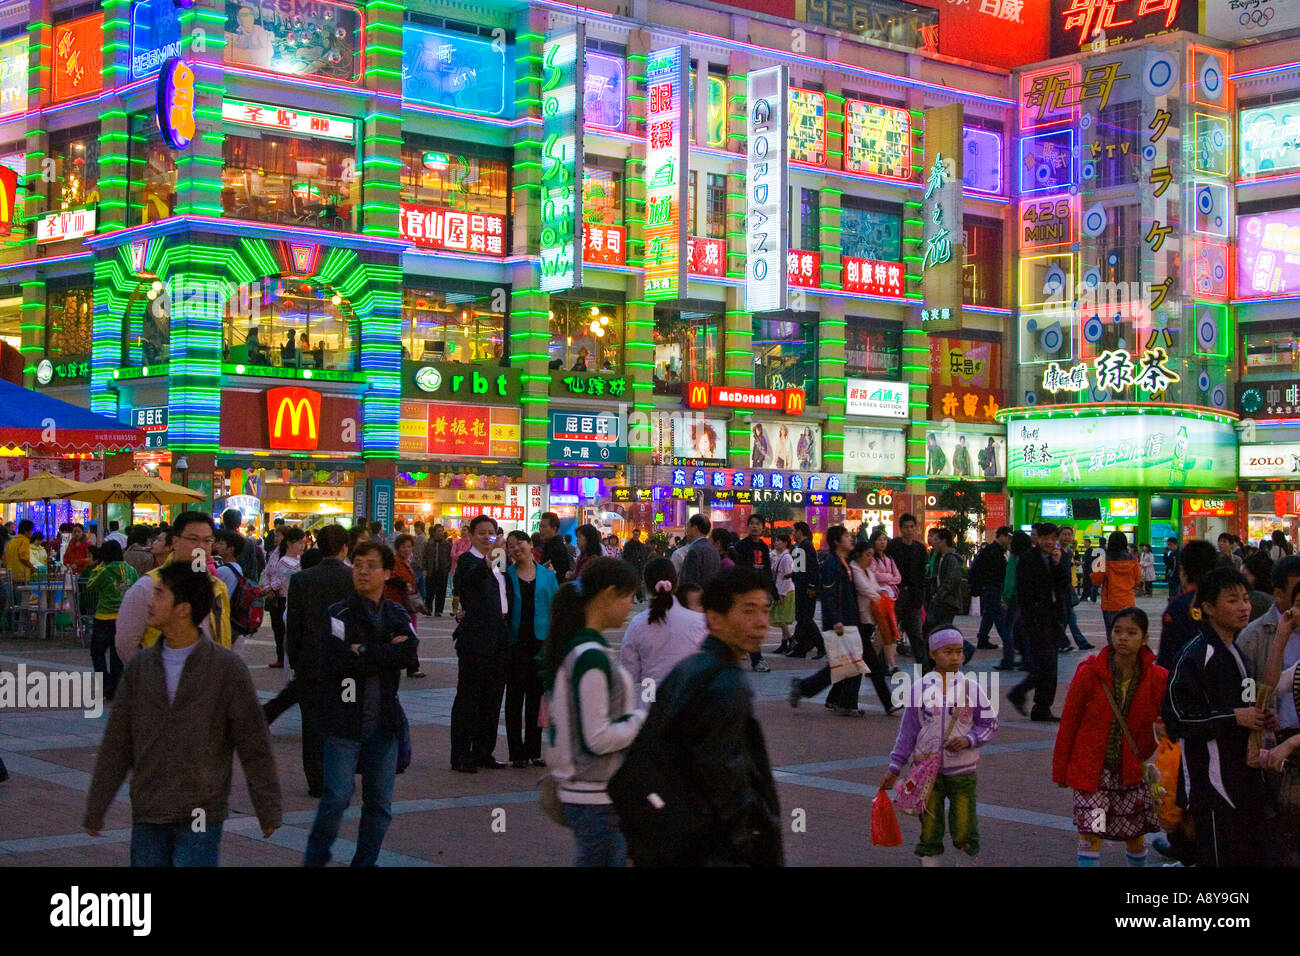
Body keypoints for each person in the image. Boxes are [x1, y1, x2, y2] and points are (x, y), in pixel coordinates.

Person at [84, 564, 281, 866]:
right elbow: (117, 743)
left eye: (160, 594)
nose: (150, 601)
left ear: (183, 609)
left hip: (202, 811)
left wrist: (268, 807)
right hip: (150, 808)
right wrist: (97, 806)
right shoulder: (140, 667)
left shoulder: (225, 669)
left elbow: (254, 742)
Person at [614, 566, 784, 867]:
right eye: (748, 610)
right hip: (709, 846)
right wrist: (756, 833)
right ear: (714, 619)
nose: (761, 623)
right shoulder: (725, 684)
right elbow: (725, 780)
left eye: (764, 610)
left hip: (671, 835)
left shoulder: (690, 669)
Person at [304, 541, 418, 867]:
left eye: (370, 565)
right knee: (336, 798)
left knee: (380, 804)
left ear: (386, 573)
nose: (363, 571)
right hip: (343, 719)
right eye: (357, 565)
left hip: (384, 722)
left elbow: (408, 652)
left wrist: (364, 651)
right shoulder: (337, 613)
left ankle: (364, 862)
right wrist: (382, 652)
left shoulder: (396, 613)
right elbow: (336, 660)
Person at [1163, 567, 1272, 867]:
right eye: (1233, 600)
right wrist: (1234, 716)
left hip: (1245, 778)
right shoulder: (1195, 655)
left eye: (1246, 599)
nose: (1244, 607)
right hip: (1212, 784)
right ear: (1208, 608)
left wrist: (1262, 718)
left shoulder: (1239, 653)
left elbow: (1249, 702)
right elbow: (1177, 717)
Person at [542, 557, 645, 866]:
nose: (630, 606)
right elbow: (595, 738)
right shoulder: (590, 657)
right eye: (628, 597)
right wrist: (640, 721)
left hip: (594, 793)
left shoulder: (586, 651)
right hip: (594, 795)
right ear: (609, 595)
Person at [1052, 607, 1167, 867]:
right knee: (1091, 834)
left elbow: (1168, 718)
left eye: (1131, 632)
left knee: (1134, 835)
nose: (1122, 638)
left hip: (1131, 772)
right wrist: (1061, 771)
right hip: (1092, 772)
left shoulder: (1157, 678)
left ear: (1145, 638)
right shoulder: (1090, 673)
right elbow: (1069, 724)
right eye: (1117, 631)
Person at [880, 626, 998, 866]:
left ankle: (964, 858)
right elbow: (908, 732)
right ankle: (931, 860)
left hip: (963, 772)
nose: (955, 657)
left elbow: (990, 723)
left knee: (964, 826)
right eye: (948, 651)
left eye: (958, 651)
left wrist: (969, 740)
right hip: (927, 774)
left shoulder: (971, 688)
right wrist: (895, 767)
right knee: (930, 826)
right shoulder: (920, 688)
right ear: (933, 654)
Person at [262, 524, 353, 798]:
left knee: (312, 726)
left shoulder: (303, 580)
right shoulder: (354, 578)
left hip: (311, 663)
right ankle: (341, 776)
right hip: (346, 664)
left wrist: (297, 661)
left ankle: (316, 781)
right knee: (343, 722)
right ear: (344, 547)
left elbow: (295, 627)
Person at [788, 526, 896, 717]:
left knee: (847, 664)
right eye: (846, 536)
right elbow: (829, 593)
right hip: (843, 623)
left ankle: (814, 691)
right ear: (837, 541)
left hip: (850, 621)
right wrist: (836, 619)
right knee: (847, 664)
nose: (850, 539)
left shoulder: (843, 563)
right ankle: (819, 693)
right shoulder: (832, 563)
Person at [115, 513, 232, 664]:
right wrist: (151, 676)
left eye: (207, 541)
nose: (201, 547)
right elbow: (126, 643)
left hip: (210, 678)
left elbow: (224, 636)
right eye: (193, 539)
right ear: (175, 542)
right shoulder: (148, 586)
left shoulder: (217, 587)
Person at [449, 514, 510, 773]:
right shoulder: (467, 560)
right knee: (469, 698)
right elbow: (467, 583)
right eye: (482, 532)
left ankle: (484, 751)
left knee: (493, 697)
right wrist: (487, 560)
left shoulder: (500, 561)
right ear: (471, 536)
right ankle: (461, 754)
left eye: (491, 532)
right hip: (475, 639)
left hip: (500, 637)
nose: (487, 536)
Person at [504, 530, 556, 768]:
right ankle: (517, 753)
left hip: (540, 643)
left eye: (520, 543)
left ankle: (534, 749)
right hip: (515, 643)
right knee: (515, 698)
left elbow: (555, 609)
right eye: (511, 546)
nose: (516, 549)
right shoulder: (506, 576)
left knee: (536, 698)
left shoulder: (547, 575)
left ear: (531, 544)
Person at [1009, 522, 1072, 722]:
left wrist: (1058, 564)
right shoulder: (1028, 559)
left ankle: (1037, 703)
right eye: (1047, 538)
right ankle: (1034, 702)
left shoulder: (1058, 557)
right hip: (1036, 620)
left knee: (1048, 664)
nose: (1050, 542)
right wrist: (1031, 617)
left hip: (1054, 618)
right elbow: (1023, 591)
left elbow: (1064, 585)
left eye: (1054, 538)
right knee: (1047, 664)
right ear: (1038, 539)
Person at [620, 557, 707, 689]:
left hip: (649, 700)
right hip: (688, 701)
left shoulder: (637, 624)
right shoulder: (700, 622)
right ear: (676, 581)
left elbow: (630, 674)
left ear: (646, 586)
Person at [83, 540, 138, 702]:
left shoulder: (104, 571)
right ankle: (116, 688)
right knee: (117, 655)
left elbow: (90, 586)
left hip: (104, 617)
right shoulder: (131, 570)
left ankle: (105, 683)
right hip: (123, 618)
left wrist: (98, 567)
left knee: (97, 653)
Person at [1155, 540, 1220, 672]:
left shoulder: (1178, 607)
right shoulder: (1222, 601)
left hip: (1186, 680)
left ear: (1183, 572)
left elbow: (1167, 656)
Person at [850, 541, 900, 675]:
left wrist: (881, 592)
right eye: (867, 555)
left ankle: (879, 667)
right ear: (858, 555)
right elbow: (864, 588)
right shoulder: (854, 568)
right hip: (862, 614)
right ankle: (876, 667)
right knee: (868, 644)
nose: (870, 558)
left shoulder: (867, 569)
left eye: (871, 555)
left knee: (881, 637)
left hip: (873, 612)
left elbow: (875, 586)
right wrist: (878, 597)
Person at [262, 527, 305, 668]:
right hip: (284, 600)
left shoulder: (297, 560)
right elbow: (278, 579)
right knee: (282, 633)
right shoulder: (284, 561)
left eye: (303, 543)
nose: (302, 546)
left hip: (291, 602)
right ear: (290, 543)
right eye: (299, 543)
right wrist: (267, 589)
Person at [888, 514, 928, 659]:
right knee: (888, 632)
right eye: (906, 527)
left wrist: (920, 596)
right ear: (900, 528)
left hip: (913, 596)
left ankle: (923, 669)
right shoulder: (893, 545)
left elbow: (922, 574)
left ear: (916, 528)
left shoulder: (920, 549)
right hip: (896, 594)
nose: (909, 530)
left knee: (916, 635)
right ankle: (881, 666)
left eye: (912, 527)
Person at [1090, 531, 1142, 640]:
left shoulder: (1103, 560)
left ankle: (1114, 656)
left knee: (1113, 636)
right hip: (1128, 602)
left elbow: (1096, 581)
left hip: (1110, 604)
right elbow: (1138, 580)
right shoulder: (1133, 559)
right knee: (1127, 636)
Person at [969, 526, 1012, 652]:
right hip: (991, 586)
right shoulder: (992, 551)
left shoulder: (994, 550)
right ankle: (1008, 641)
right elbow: (988, 569)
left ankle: (982, 639)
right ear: (1002, 536)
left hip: (991, 586)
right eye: (1008, 537)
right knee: (998, 615)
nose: (1009, 540)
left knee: (989, 613)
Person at [924, 528, 963, 631]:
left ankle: (964, 647)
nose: (933, 542)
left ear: (944, 541)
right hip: (941, 599)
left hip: (947, 601)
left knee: (942, 629)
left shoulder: (951, 558)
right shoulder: (940, 557)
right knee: (938, 628)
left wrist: (939, 594)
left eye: (936, 540)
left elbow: (952, 579)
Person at [678, 513, 720, 590]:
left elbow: (689, 583)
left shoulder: (694, 551)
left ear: (695, 528)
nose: (686, 531)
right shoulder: (714, 550)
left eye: (688, 527)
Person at [770, 532, 796, 655]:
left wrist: (782, 594)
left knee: (781, 618)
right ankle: (784, 643)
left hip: (785, 591)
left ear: (785, 543)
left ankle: (791, 640)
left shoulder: (786, 558)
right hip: (780, 589)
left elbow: (788, 577)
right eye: (775, 541)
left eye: (779, 541)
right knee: (780, 618)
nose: (776, 543)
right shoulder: (781, 556)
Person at [421, 524, 452, 617]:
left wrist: (447, 568)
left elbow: (450, 558)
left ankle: (439, 610)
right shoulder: (428, 544)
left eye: (441, 531)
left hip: (443, 572)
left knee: (441, 592)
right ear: (434, 532)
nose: (440, 533)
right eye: (438, 531)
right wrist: (425, 569)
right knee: (429, 592)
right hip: (431, 571)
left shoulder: (447, 544)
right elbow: (424, 558)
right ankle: (428, 609)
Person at [538, 512, 572, 582]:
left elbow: (560, 575)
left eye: (544, 527)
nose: (540, 530)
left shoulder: (558, 548)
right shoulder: (548, 545)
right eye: (540, 526)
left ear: (554, 528)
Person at [4, 519, 34, 585]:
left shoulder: (12, 541)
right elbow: (23, 557)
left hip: (11, 575)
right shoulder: (25, 540)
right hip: (22, 575)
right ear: (26, 531)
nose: (32, 533)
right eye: (31, 531)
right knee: (23, 595)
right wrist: (32, 567)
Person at [621, 528, 647, 603]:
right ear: (633, 534)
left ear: (639, 535)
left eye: (637, 534)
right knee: (631, 582)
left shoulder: (641, 545)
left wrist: (642, 562)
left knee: (638, 582)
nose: (636, 536)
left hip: (639, 566)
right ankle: (632, 598)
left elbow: (643, 555)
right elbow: (625, 555)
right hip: (631, 565)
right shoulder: (628, 544)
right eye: (635, 534)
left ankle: (639, 597)